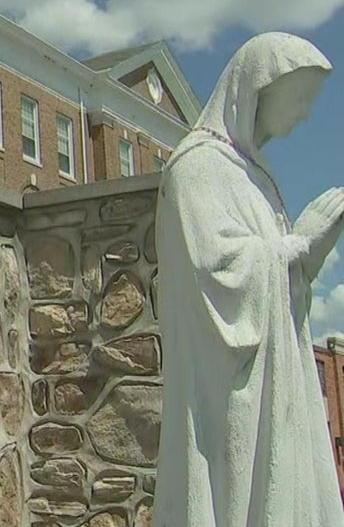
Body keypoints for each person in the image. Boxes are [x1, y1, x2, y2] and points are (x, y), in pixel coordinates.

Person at [153, 32, 343, 526]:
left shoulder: (255, 176)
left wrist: (307, 253)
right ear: (259, 87)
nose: (302, 115)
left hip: (275, 397)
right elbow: (216, 277)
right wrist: (295, 246)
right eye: (299, 99)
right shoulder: (195, 169)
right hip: (231, 410)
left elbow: (279, 276)